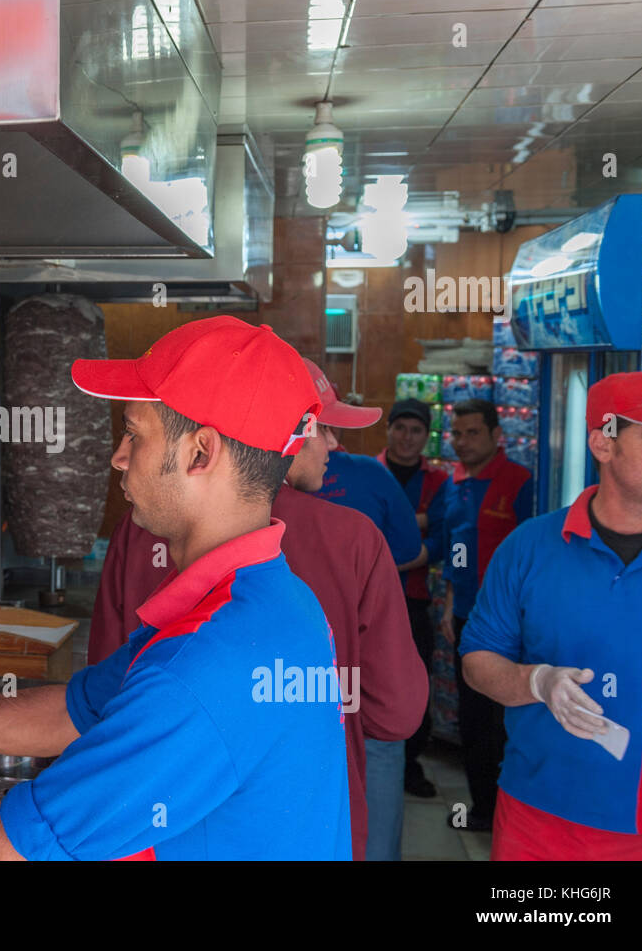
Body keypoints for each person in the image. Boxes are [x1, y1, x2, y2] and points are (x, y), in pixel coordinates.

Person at [0, 317, 352, 859]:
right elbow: (72, 712)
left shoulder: (204, 665)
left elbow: (7, 850)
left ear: (199, 453)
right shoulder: (275, 602)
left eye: (134, 435)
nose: (118, 456)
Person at [88, 364, 425, 861]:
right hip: (311, 827)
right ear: (282, 434)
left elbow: (102, 700)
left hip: (153, 827)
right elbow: (395, 712)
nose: (334, 444)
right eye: (321, 427)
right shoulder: (353, 540)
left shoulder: (139, 528)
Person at [460, 371, 642, 859]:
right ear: (602, 443)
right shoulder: (529, 546)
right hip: (537, 817)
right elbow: (477, 659)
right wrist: (537, 681)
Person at [440, 398, 533, 831]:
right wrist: (450, 602)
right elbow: (456, 550)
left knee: (507, 721)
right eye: (457, 434)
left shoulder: (520, 482)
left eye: (472, 433)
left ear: (497, 436)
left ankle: (512, 812)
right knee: (474, 719)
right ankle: (482, 810)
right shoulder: (452, 484)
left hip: (514, 623)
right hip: (467, 618)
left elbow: (533, 556)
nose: (462, 442)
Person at [377, 398, 449, 799]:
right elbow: (361, 528)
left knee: (415, 681)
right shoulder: (368, 472)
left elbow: (442, 533)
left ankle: (411, 762)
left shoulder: (439, 482)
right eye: (400, 428)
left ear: (427, 436)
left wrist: (414, 551)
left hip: (414, 599)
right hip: (367, 600)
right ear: (388, 430)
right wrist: (413, 526)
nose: (407, 437)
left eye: (416, 430)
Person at [307, 362, 425, 570]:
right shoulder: (373, 472)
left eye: (416, 430)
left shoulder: (258, 487)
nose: (332, 440)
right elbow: (409, 548)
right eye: (323, 426)